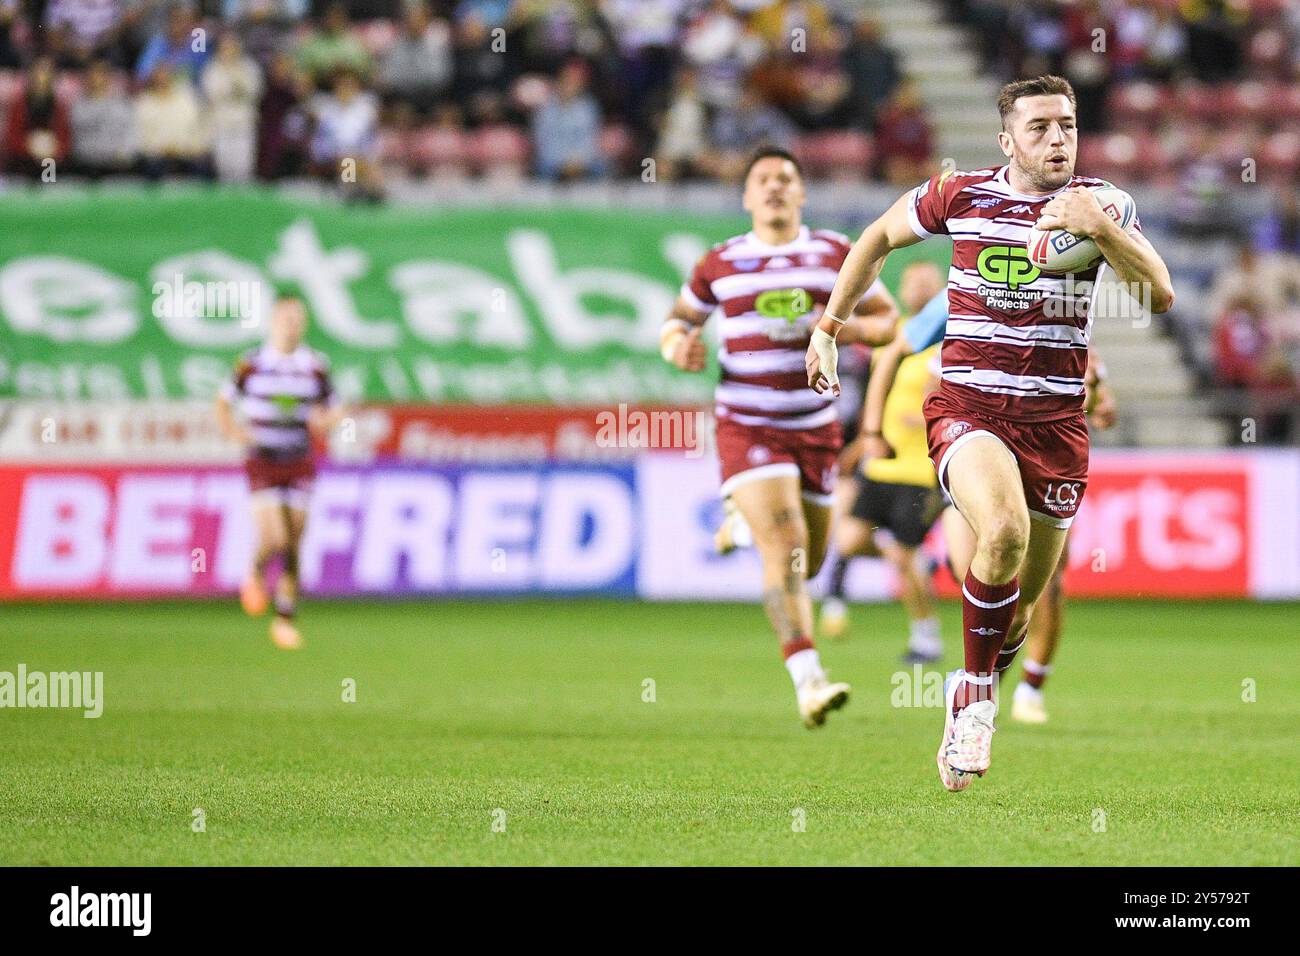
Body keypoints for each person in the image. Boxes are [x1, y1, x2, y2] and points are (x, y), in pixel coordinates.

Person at [806, 75, 1174, 788]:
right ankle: (977, 705)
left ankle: (969, 683)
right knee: (1000, 531)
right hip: (969, 409)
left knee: (1019, 611)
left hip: (1056, 426)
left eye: (1066, 124)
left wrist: (1100, 228)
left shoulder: (1102, 208)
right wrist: (828, 327)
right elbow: (879, 235)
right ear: (1007, 140)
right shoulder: (962, 195)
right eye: (1038, 127)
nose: (1057, 138)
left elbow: (1158, 294)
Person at [663, 146, 899, 729]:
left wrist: (833, 327)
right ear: (746, 196)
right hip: (747, 423)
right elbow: (677, 324)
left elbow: (889, 321)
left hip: (815, 428)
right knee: (785, 539)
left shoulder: (833, 254)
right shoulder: (720, 262)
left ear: (801, 193)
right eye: (763, 180)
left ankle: (741, 523)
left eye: (785, 179)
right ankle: (809, 680)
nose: (774, 187)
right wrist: (678, 347)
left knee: (809, 560)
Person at [820, 261, 943, 654]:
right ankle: (916, 561)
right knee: (851, 539)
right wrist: (861, 443)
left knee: (904, 555)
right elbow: (880, 399)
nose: (917, 287)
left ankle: (925, 635)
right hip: (882, 462)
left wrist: (931, 409)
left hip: (921, 468)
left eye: (925, 281)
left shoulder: (949, 338)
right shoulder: (894, 336)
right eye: (910, 280)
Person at [215, 295, 346, 650]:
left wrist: (327, 422)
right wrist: (233, 431)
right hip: (263, 458)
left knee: (295, 542)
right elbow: (223, 400)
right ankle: (255, 572)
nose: (292, 325)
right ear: (273, 321)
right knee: (276, 537)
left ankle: (285, 618)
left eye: (297, 319)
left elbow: (334, 409)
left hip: (299, 457)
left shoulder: (314, 365)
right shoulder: (252, 363)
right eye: (286, 318)